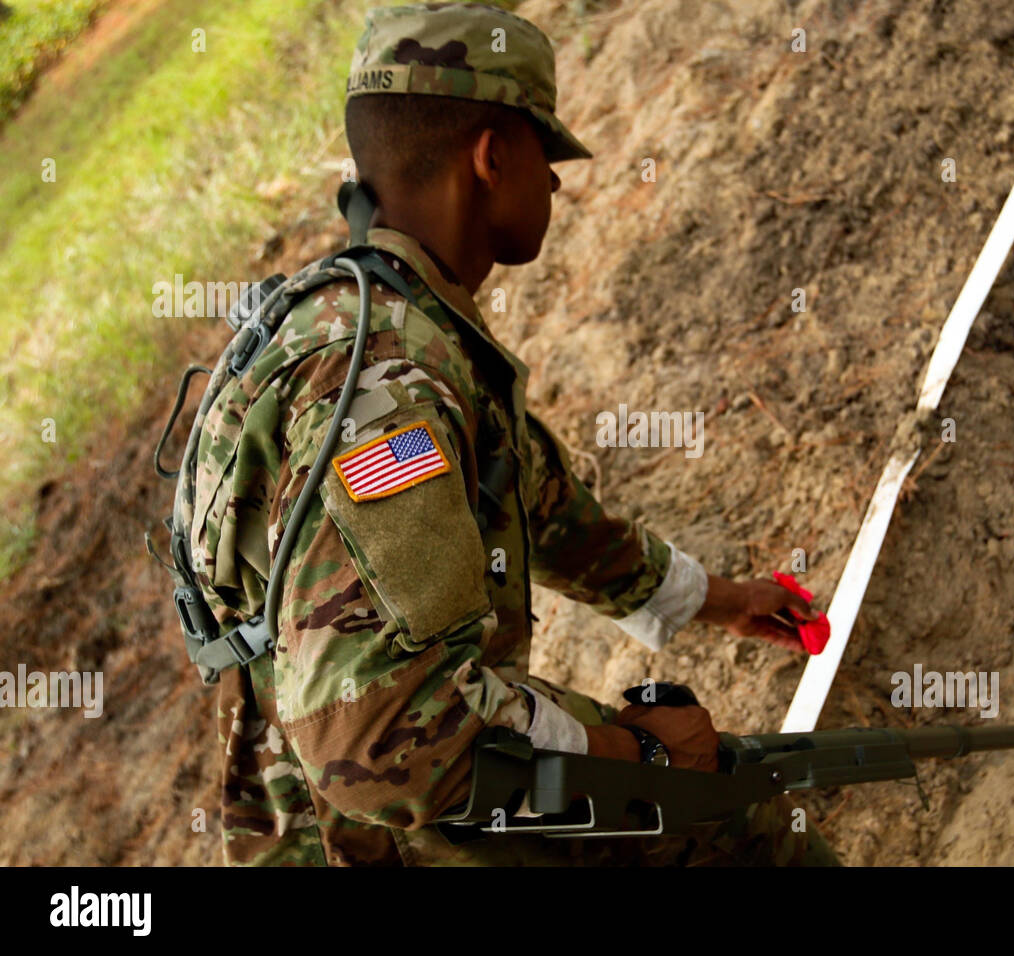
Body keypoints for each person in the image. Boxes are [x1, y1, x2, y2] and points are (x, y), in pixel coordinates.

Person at [190, 1, 839, 866]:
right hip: (384, 823)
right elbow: (386, 742)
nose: (559, 184)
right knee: (731, 826)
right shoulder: (394, 390)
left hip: (325, 799)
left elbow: (531, 499)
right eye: (547, 153)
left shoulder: (355, 315)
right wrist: (639, 758)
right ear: (493, 157)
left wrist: (715, 599)